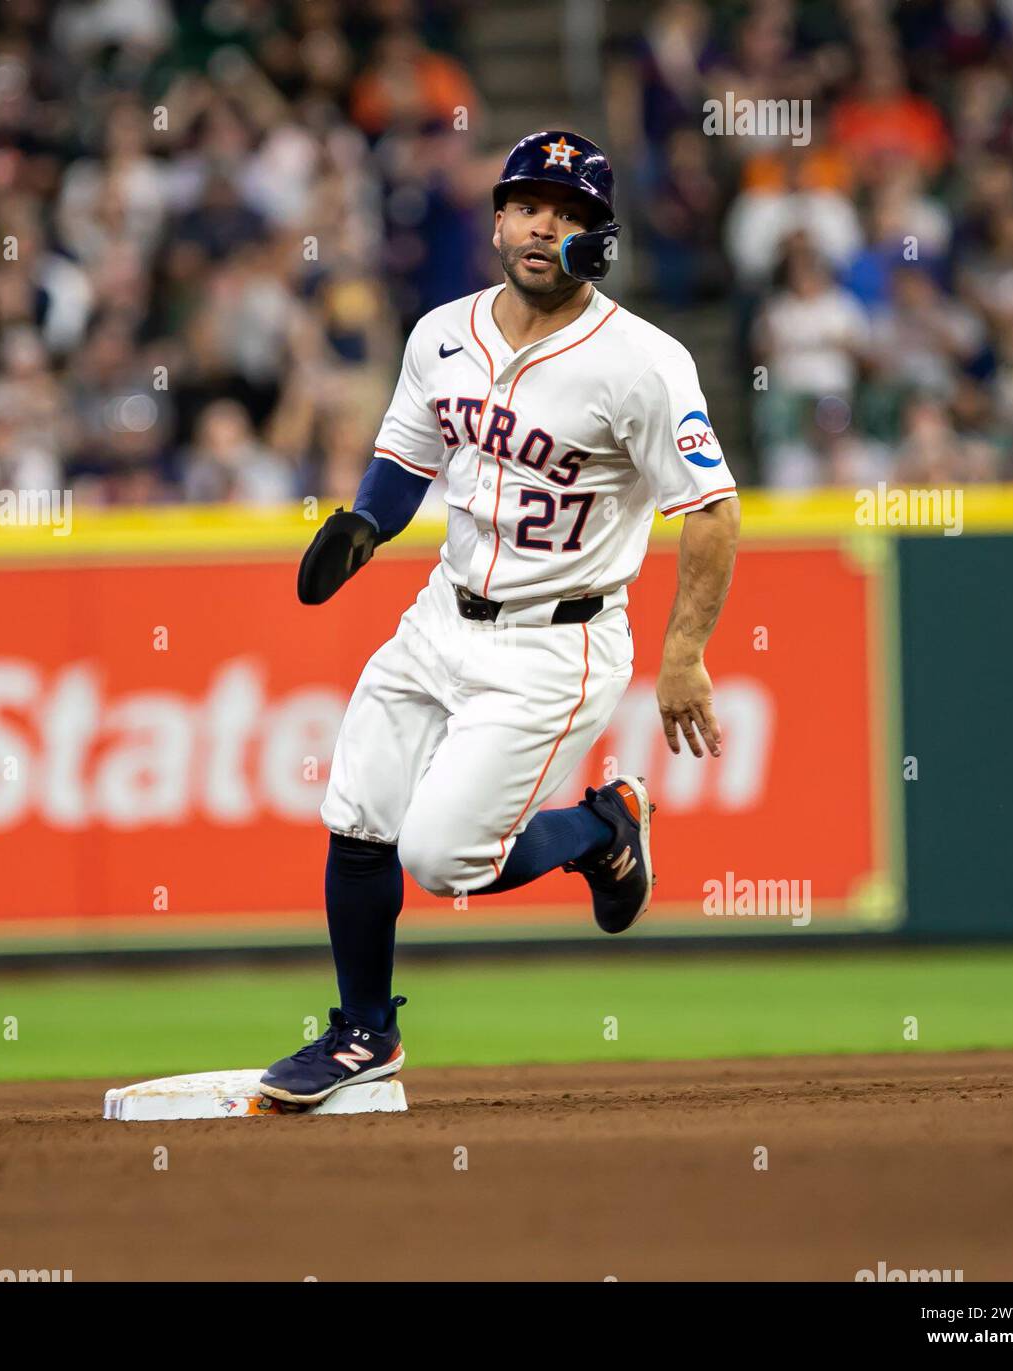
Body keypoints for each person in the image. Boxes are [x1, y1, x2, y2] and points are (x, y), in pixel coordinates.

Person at [259, 131, 741, 1105]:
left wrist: (683, 653)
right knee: (356, 816)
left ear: (598, 237)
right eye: (527, 204)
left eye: (568, 212)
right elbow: (404, 461)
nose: (542, 224)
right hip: (442, 612)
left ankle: (604, 826)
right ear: (497, 219)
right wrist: (363, 524)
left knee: (440, 858)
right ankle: (362, 1035)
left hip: (554, 642)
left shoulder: (642, 364)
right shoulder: (441, 332)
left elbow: (712, 510)